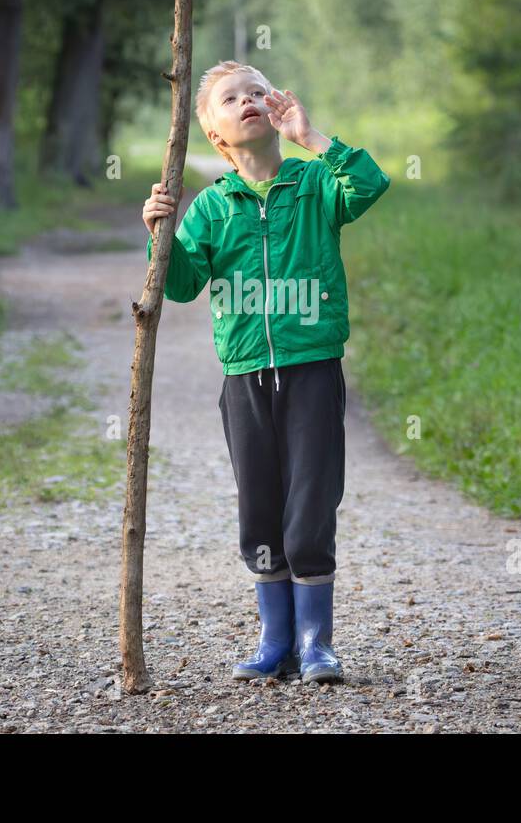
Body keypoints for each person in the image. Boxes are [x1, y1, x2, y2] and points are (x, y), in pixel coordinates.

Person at [142, 60, 391, 683]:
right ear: (215, 135)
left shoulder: (314, 185)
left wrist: (313, 138)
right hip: (245, 375)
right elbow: (180, 285)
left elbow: (370, 184)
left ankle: (315, 642)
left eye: (257, 91)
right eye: (231, 98)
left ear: (277, 107)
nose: (248, 100)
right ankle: (274, 639)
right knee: (258, 510)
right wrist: (160, 235)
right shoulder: (211, 208)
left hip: (312, 371)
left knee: (311, 505)